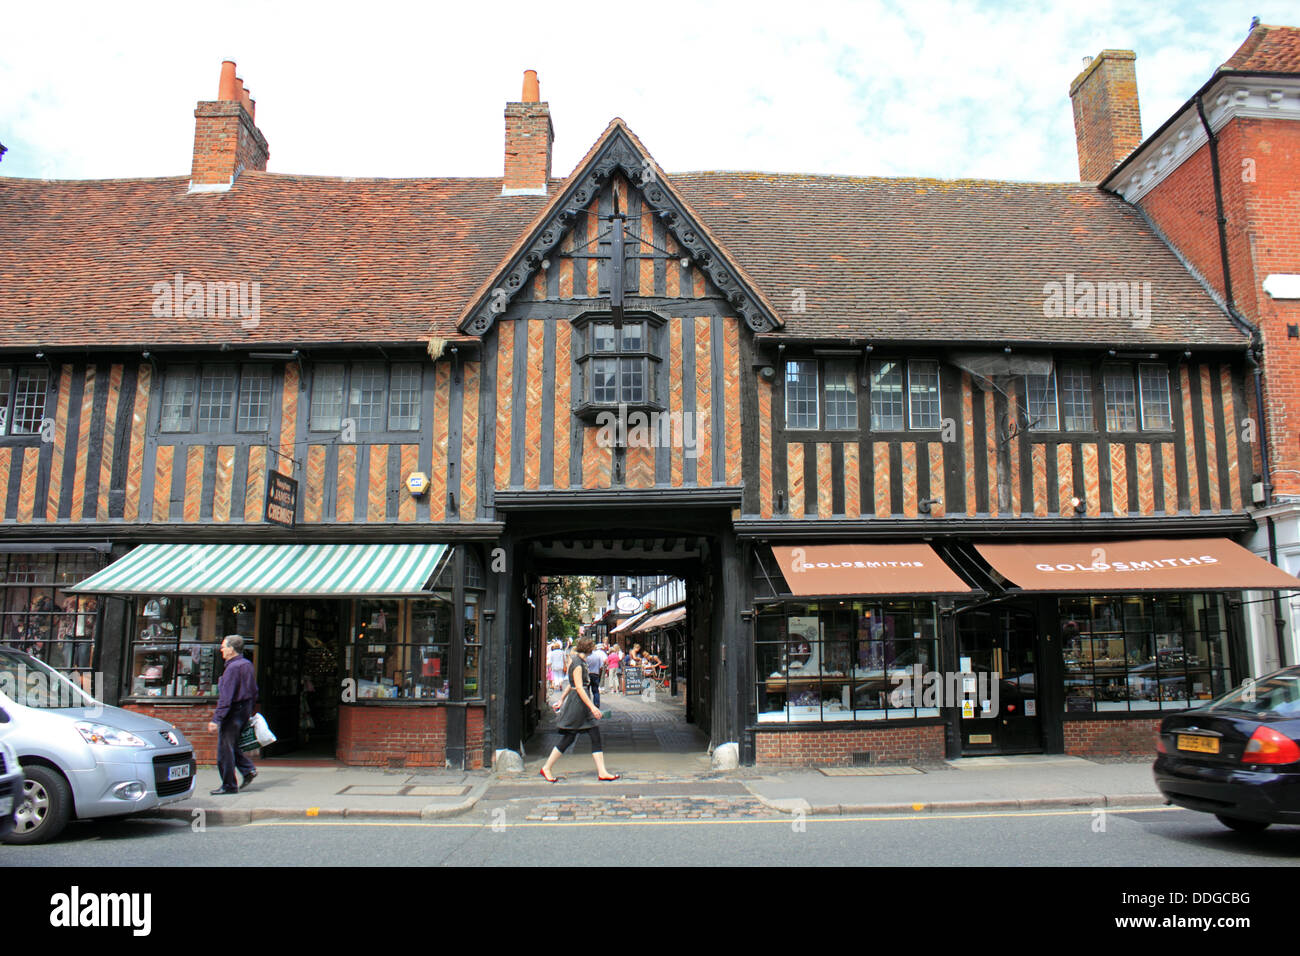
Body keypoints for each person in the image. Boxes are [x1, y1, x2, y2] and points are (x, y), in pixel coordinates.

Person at [540, 637, 619, 783]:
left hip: (581, 703)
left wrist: (562, 699)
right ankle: (546, 767)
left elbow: (572, 685)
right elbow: (579, 688)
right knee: (569, 737)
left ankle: (602, 771)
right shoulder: (578, 664)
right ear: (589, 649)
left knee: (594, 735)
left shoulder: (580, 661)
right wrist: (592, 706)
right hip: (578, 704)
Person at [207, 634, 259, 795]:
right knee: (233, 745)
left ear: (231, 649)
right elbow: (254, 691)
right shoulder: (247, 665)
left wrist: (217, 719)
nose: (221, 649)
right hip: (244, 710)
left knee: (225, 750)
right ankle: (248, 770)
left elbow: (226, 697)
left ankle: (229, 785)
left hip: (233, 712)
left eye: (224, 646)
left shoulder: (232, 668)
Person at [586, 642, 606, 708]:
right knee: (596, 691)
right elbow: (601, 666)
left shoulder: (587, 656)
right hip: (595, 674)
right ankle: (596, 705)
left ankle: (587, 705)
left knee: (587, 690)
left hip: (588, 674)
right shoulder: (597, 656)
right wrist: (599, 674)